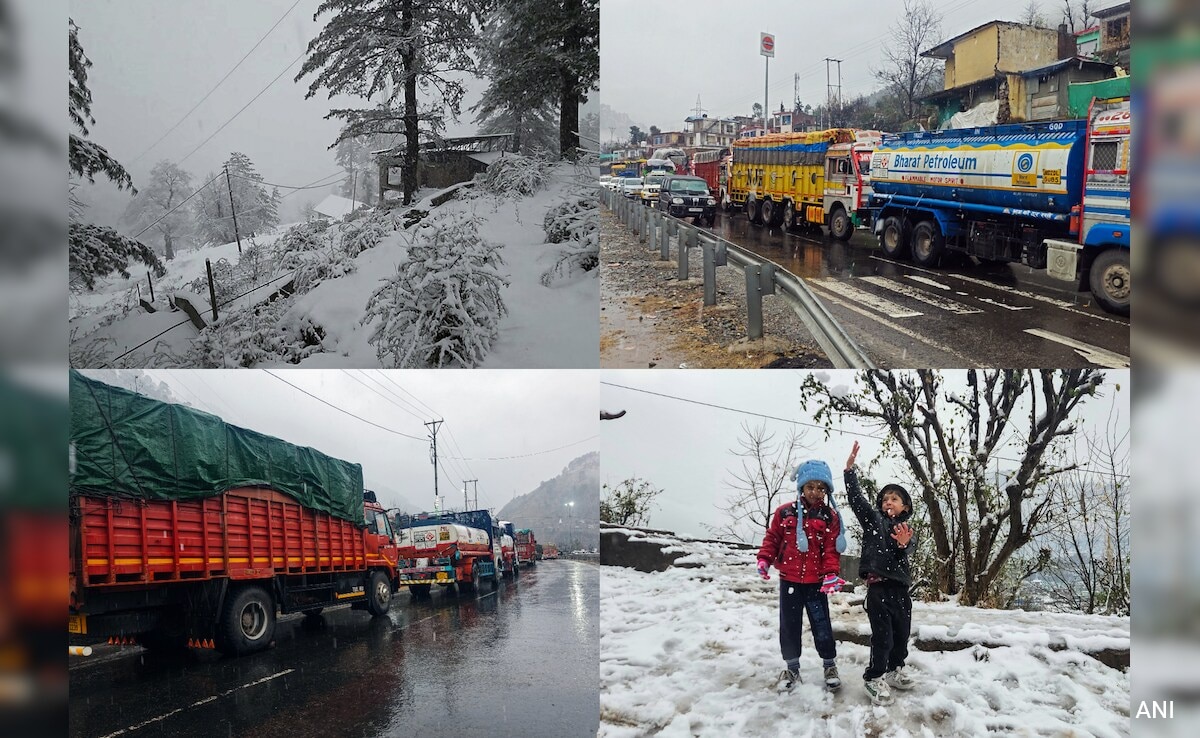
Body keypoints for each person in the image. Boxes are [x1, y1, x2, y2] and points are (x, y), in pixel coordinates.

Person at [756, 460, 849, 693]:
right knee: (789, 626)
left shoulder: (830, 517)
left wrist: (830, 574)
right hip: (789, 580)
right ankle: (792, 668)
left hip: (816, 583)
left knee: (822, 625)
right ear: (801, 488)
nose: (816, 492)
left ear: (827, 490)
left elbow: (831, 550)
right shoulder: (784, 512)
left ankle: (829, 665)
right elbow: (772, 538)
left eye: (821, 488)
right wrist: (765, 559)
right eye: (810, 487)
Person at [842, 441, 916, 706]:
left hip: (900, 590)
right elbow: (858, 501)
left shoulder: (906, 530)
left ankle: (896, 669)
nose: (888, 501)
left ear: (905, 507)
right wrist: (850, 473)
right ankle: (874, 677)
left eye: (894, 498)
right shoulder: (874, 521)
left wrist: (904, 544)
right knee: (882, 636)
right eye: (885, 498)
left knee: (901, 635)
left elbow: (906, 552)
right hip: (878, 589)